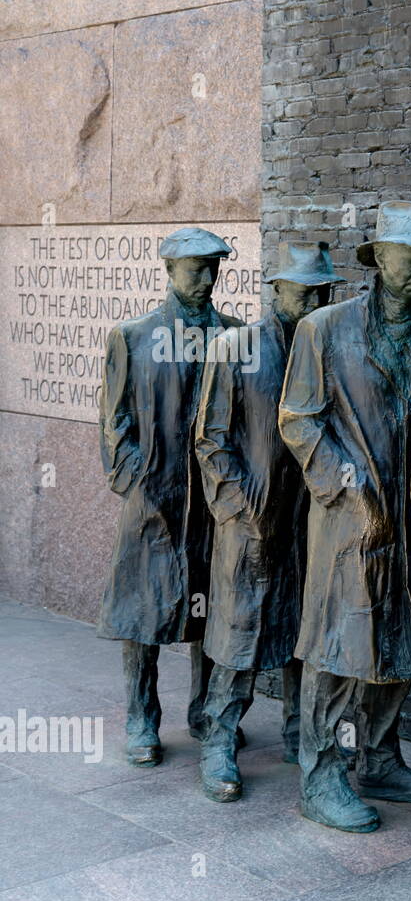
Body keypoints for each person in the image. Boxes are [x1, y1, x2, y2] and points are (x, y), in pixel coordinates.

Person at [278, 202, 411, 832]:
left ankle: (380, 757)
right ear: (378, 258)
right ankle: (321, 776)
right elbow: (299, 420)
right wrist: (350, 490)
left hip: (410, 520)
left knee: (401, 638)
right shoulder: (324, 328)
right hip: (346, 519)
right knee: (339, 642)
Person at [193, 242, 346, 801]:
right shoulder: (236, 348)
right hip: (249, 520)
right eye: (301, 291)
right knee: (239, 633)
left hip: (311, 519)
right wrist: (237, 509)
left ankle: (299, 733)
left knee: (305, 630)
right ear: (276, 289)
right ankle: (219, 737)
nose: (311, 302)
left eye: (321, 292)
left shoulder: (330, 350)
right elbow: (211, 440)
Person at [98, 227, 243, 767]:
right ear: (168, 270)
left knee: (211, 609)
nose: (206, 280)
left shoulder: (233, 337)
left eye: (213, 269)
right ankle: (141, 714)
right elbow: (114, 424)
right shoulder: (133, 337)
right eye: (195, 269)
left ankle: (206, 710)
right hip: (153, 502)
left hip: (212, 504)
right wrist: (137, 481)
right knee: (144, 613)